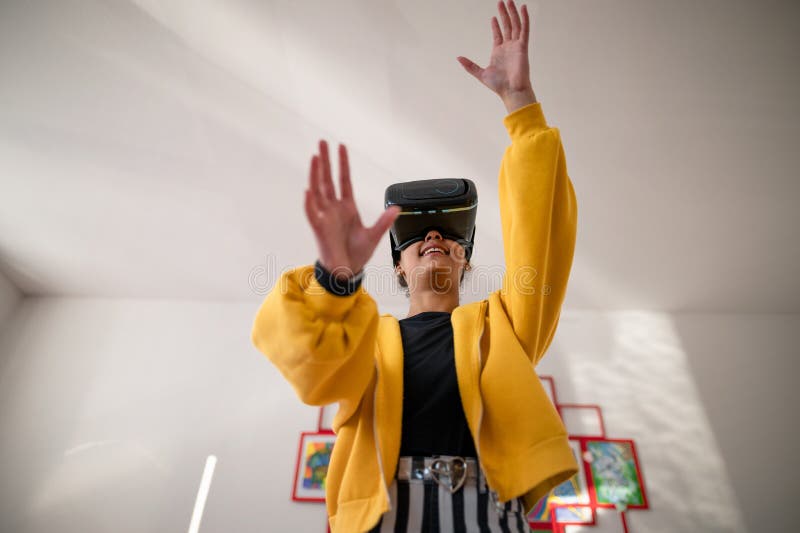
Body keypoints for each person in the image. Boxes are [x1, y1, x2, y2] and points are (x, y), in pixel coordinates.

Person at [251, 1, 579, 531]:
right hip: (385, 515)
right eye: (420, 236)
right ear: (399, 269)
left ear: (464, 262)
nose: (435, 236)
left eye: (451, 237)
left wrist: (520, 106)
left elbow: (542, 241)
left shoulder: (504, 329)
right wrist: (336, 279)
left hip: (489, 513)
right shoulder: (362, 339)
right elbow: (304, 362)